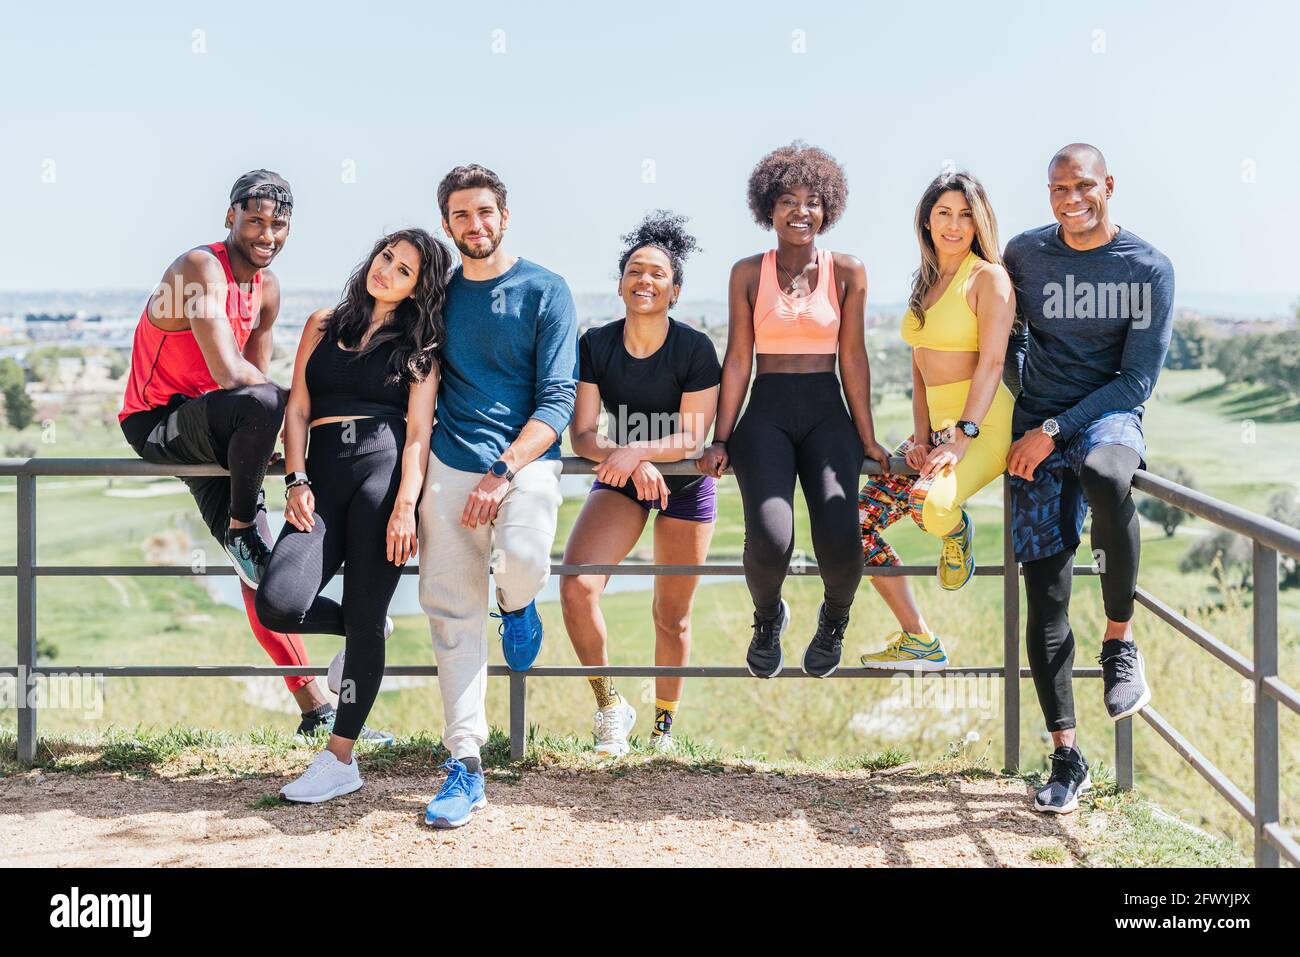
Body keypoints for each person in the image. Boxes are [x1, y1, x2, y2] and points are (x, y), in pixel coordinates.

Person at [118, 170, 355, 737]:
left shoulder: (268, 289)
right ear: (230, 218)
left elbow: (257, 378)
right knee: (261, 413)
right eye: (254, 220)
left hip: (219, 429)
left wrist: (272, 432)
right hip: (158, 424)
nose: (266, 234)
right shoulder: (201, 268)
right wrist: (284, 419)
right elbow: (233, 376)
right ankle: (243, 525)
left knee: (261, 576)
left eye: (278, 224)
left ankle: (317, 706)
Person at [1003, 143, 1174, 813]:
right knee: (1044, 593)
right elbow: (1004, 336)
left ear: (1109, 185)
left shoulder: (1147, 267)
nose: (1070, 198)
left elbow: (1136, 379)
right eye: (1057, 189)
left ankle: (1118, 639)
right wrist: (1028, 410)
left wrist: (1055, 426)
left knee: (1108, 475)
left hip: (1106, 419)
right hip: (1037, 430)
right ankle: (1066, 755)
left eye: (1082, 186)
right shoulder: (1023, 254)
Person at [259, 230, 452, 802]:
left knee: (367, 620)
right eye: (385, 257)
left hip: (382, 479)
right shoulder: (324, 323)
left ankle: (340, 758)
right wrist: (294, 480)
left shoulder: (419, 345)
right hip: (319, 484)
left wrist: (405, 507)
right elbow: (297, 407)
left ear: (420, 288)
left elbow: (419, 435)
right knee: (279, 603)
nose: (387, 271)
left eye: (405, 270)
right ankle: (363, 628)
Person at [419, 164, 576, 828]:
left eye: (484, 212)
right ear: (447, 225)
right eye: (460, 215)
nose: (474, 225)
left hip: (525, 463)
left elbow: (558, 399)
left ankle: (517, 604)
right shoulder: (439, 297)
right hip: (447, 466)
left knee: (523, 556)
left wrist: (503, 468)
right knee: (452, 618)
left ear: (504, 216)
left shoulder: (547, 290)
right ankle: (466, 763)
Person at [698, 142, 890, 680]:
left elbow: (853, 356)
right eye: (787, 199)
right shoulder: (746, 273)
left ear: (828, 207)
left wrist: (869, 438)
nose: (800, 211)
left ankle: (835, 617)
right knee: (771, 537)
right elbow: (738, 359)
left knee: (839, 536)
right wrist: (721, 438)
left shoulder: (848, 271)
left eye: (812, 201)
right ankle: (767, 618)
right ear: (768, 208)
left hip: (829, 414)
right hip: (767, 414)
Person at [560, 212, 721, 757]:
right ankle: (610, 708)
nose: (644, 280)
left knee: (669, 615)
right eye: (634, 270)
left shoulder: (695, 348)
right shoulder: (596, 343)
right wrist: (627, 461)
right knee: (576, 587)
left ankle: (663, 732)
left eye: (657, 274)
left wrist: (640, 451)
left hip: (685, 484)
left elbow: (694, 436)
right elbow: (582, 433)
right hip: (624, 479)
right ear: (621, 283)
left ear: (675, 290)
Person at [855, 172, 1015, 670]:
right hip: (939, 434)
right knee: (850, 526)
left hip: (982, 427)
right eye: (944, 213)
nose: (954, 224)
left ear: (979, 221)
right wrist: (921, 439)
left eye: (966, 214)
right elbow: (919, 368)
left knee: (929, 505)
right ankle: (919, 639)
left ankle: (955, 531)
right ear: (927, 220)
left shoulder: (987, 278)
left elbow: (990, 364)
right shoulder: (924, 282)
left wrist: (962, 437)